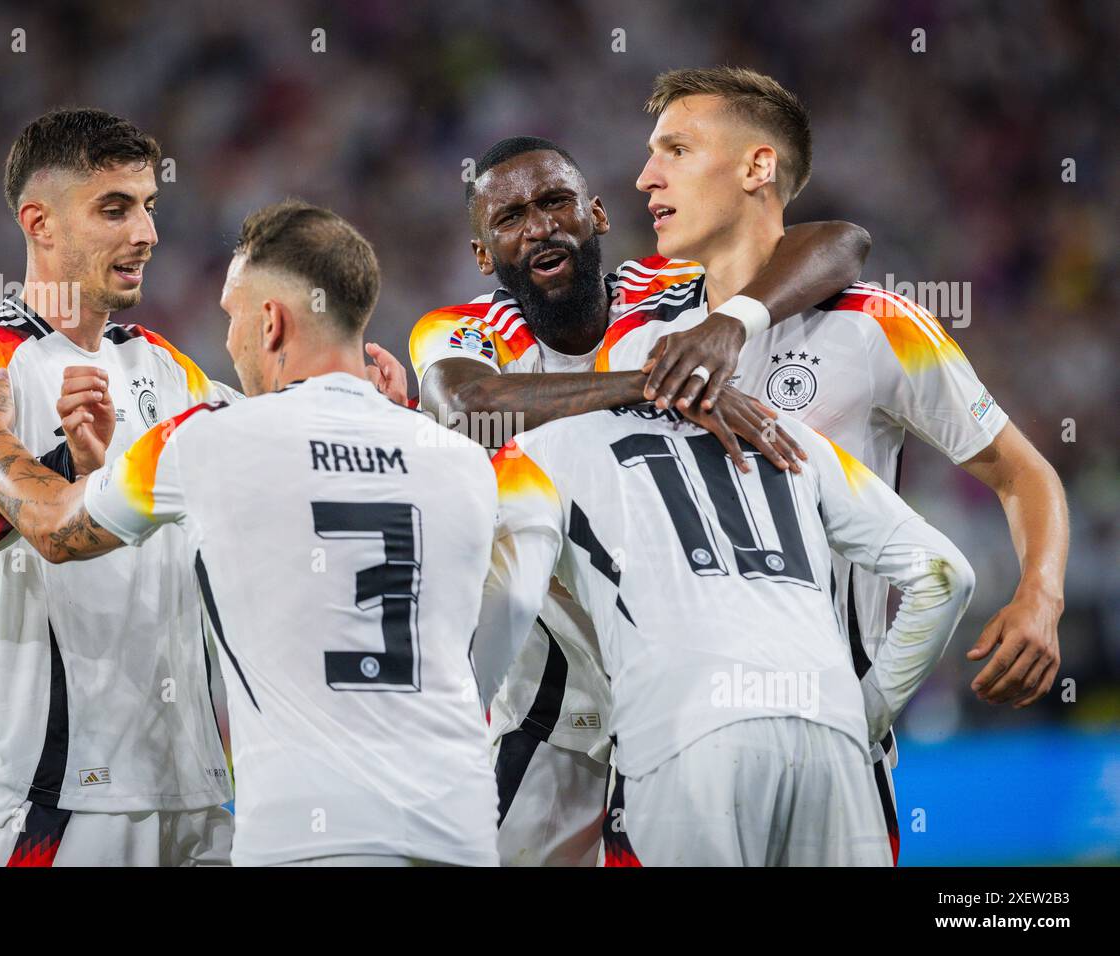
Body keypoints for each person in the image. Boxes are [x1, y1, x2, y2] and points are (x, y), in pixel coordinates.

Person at [0, 200, 501, 868]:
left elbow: (53, 527)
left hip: (310, 839)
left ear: (272, 322)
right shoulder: (461, 463)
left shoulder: (209, 442)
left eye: (232, 316)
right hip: (459, 831)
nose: (228, 343)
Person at [600, 65, 1068, 862]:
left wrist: (1041, 596)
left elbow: (1022, 471)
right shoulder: (631, 331)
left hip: (835, 746)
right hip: (667, 744)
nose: (647, 177)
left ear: (758, 168)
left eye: (676, 150)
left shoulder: (875, 326)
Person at [411, 134, 871, 865]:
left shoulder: (674, 290)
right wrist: (664, 381)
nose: (539, 226)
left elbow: (841, 243)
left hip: (679, 700)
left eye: (557, 202)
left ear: (596, 214)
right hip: (554, 723)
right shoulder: (470, 330)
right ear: (482, 255)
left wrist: (730, 325)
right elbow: (463, 404)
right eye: (511, 217)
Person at [475, 403, 975, 865]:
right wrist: (861, 716)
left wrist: (457, 728)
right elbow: (945, 574)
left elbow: (510, 602)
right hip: (832, 729)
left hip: (683, 735)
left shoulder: (535, 450)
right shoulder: (784, 432)